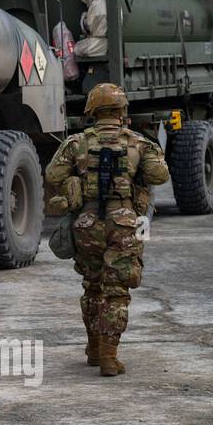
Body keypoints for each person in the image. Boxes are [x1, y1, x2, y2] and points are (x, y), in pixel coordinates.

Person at [43, 83, 170, 376]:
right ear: (122, 110)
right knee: (117, 291)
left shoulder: (76, 143)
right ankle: (110, 358)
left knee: (93, 285)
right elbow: (160, 175)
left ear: (92, 110)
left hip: (86, 224)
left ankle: (95, 350)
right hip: (125, 223)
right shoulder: (139, 143)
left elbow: (53, 174)